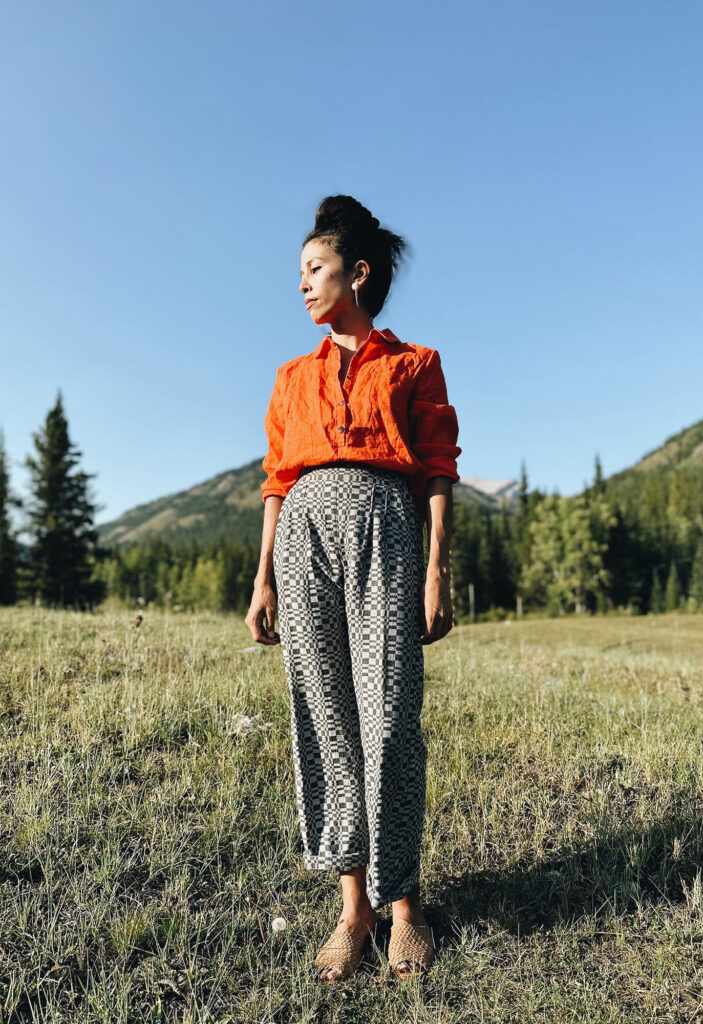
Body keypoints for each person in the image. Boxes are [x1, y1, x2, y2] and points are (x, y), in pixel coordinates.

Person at [245, 195, 461, 983]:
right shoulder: (289, 378)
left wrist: (437, 568)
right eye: (299, 272)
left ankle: (404, 906)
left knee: (391, 718)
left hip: (386, 531)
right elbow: (277, 481)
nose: (302, 283)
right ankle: (352, 910)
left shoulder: (415, 364)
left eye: (315, 268)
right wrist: (263, 576)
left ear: (357, 273)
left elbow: (438, 468)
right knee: (326, 718)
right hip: (303, 538)